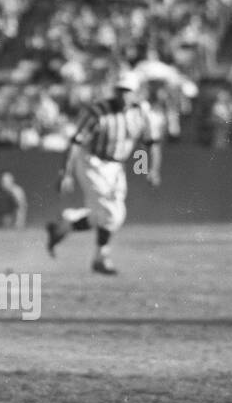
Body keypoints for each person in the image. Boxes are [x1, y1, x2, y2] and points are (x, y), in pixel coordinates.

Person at [45, 73, 160, 275]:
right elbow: (76, 142)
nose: (123, 96)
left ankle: (64, 226)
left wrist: (152, 169)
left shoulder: (142, 112)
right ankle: (100, 258)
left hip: (117, 166)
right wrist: (66, 173)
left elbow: (150, 143)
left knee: (107, 216)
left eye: (128, 91)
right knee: (112, 213)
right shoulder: (97, 112)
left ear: (135, 93)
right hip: (92, 162)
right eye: (120, 91)